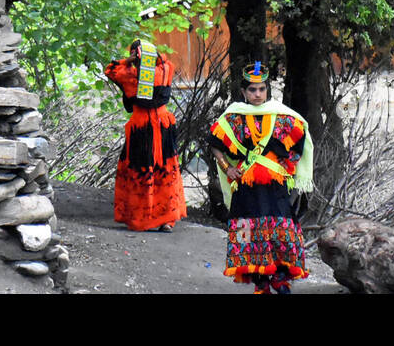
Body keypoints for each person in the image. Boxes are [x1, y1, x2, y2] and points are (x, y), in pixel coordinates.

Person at [206, 61, 314, 294]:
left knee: (283, 230)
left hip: (275, 186)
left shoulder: (282, 115)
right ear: (244, 92)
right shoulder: (235, 116)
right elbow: (215, 143)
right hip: (246, 186)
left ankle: (279, 278)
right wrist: (227, 168)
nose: (257, 94)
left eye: (262, 89)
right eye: (252, 90)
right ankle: (261, 283)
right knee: (247, 232)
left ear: (267, 90)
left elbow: (300, 140)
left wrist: (289, 166)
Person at [103, 39, 188, 232]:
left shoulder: (130, 76)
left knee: (139, 171)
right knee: (166, 169)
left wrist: (129, 60)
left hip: (140, 128)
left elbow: (110, 69)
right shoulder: (164, 72)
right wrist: (158, 57)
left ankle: (140, 218)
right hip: (163, 124)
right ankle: (167, 219)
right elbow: (167, 63)